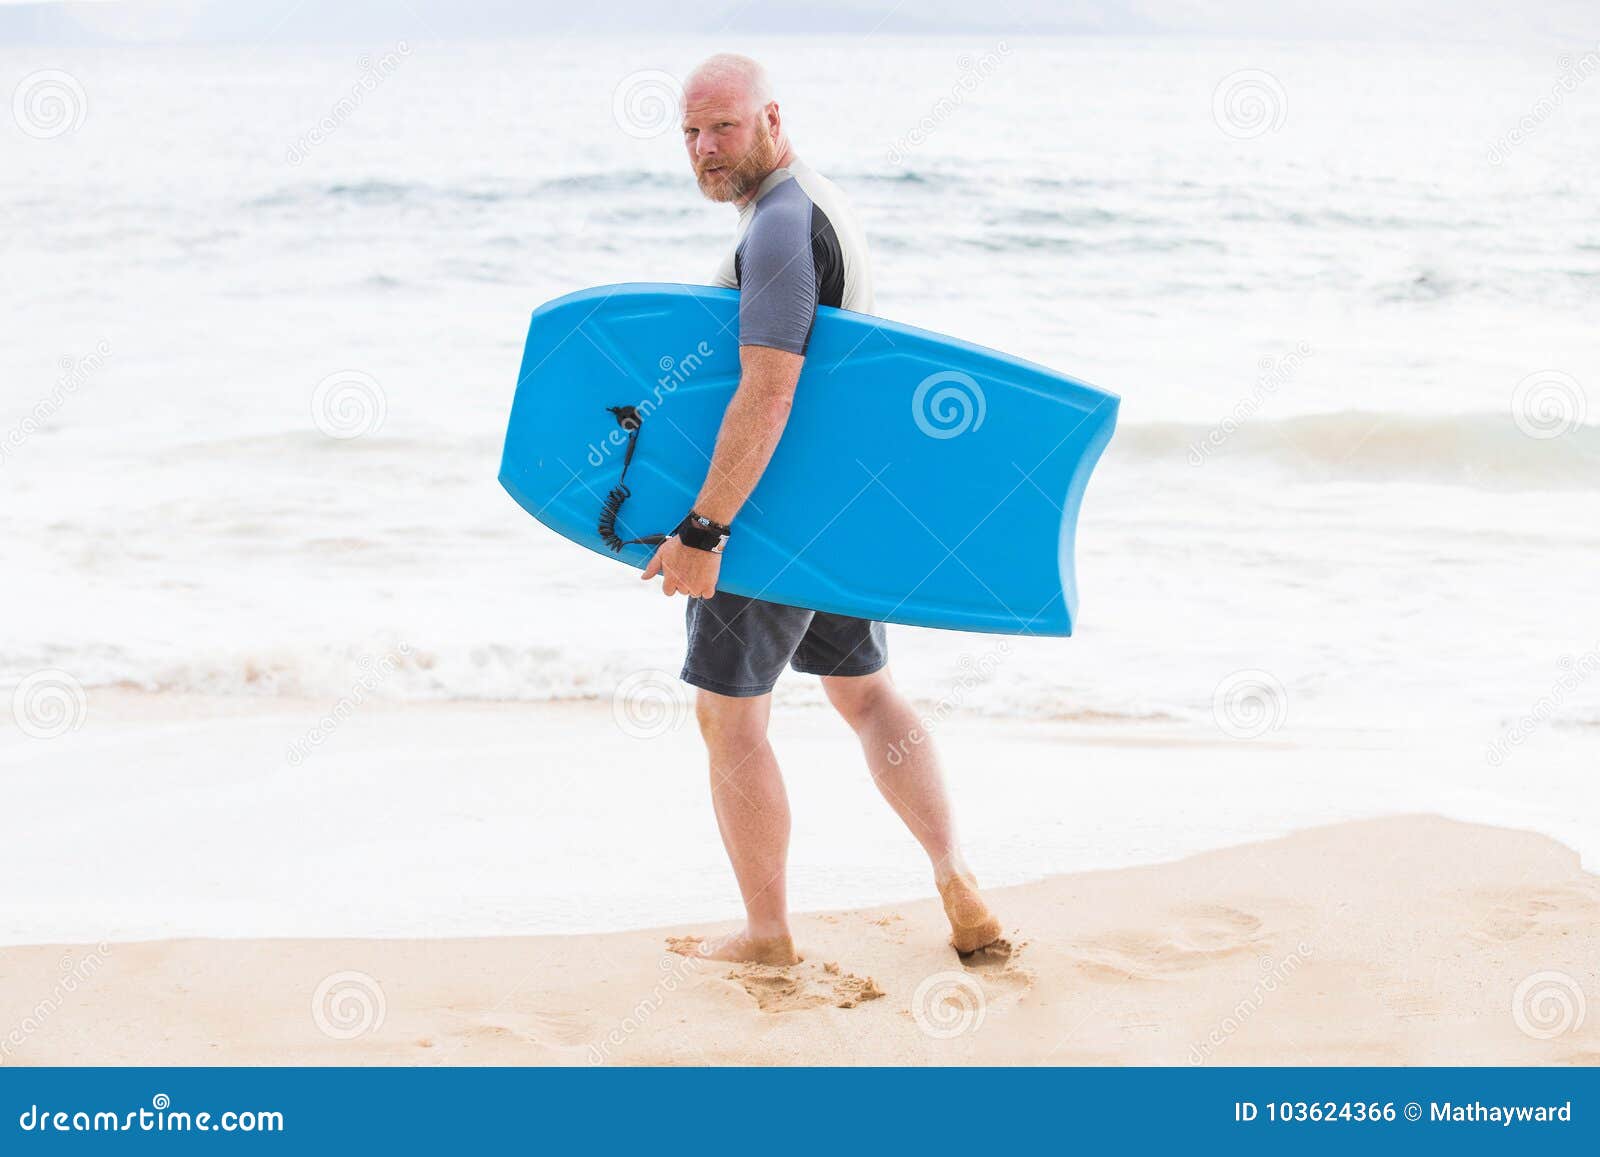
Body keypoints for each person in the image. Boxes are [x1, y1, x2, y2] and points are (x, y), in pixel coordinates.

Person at [643, 54, 1003, 965]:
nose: (705, 147)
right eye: (690, 132)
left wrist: (703, 528)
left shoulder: (777, 226)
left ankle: (767, 937)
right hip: (842, 508)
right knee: (865, 691)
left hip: (770, 518)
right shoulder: (816, 202)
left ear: (770, 116)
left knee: (732, 719)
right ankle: (956, 874)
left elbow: (768, 393)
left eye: (723, 126)